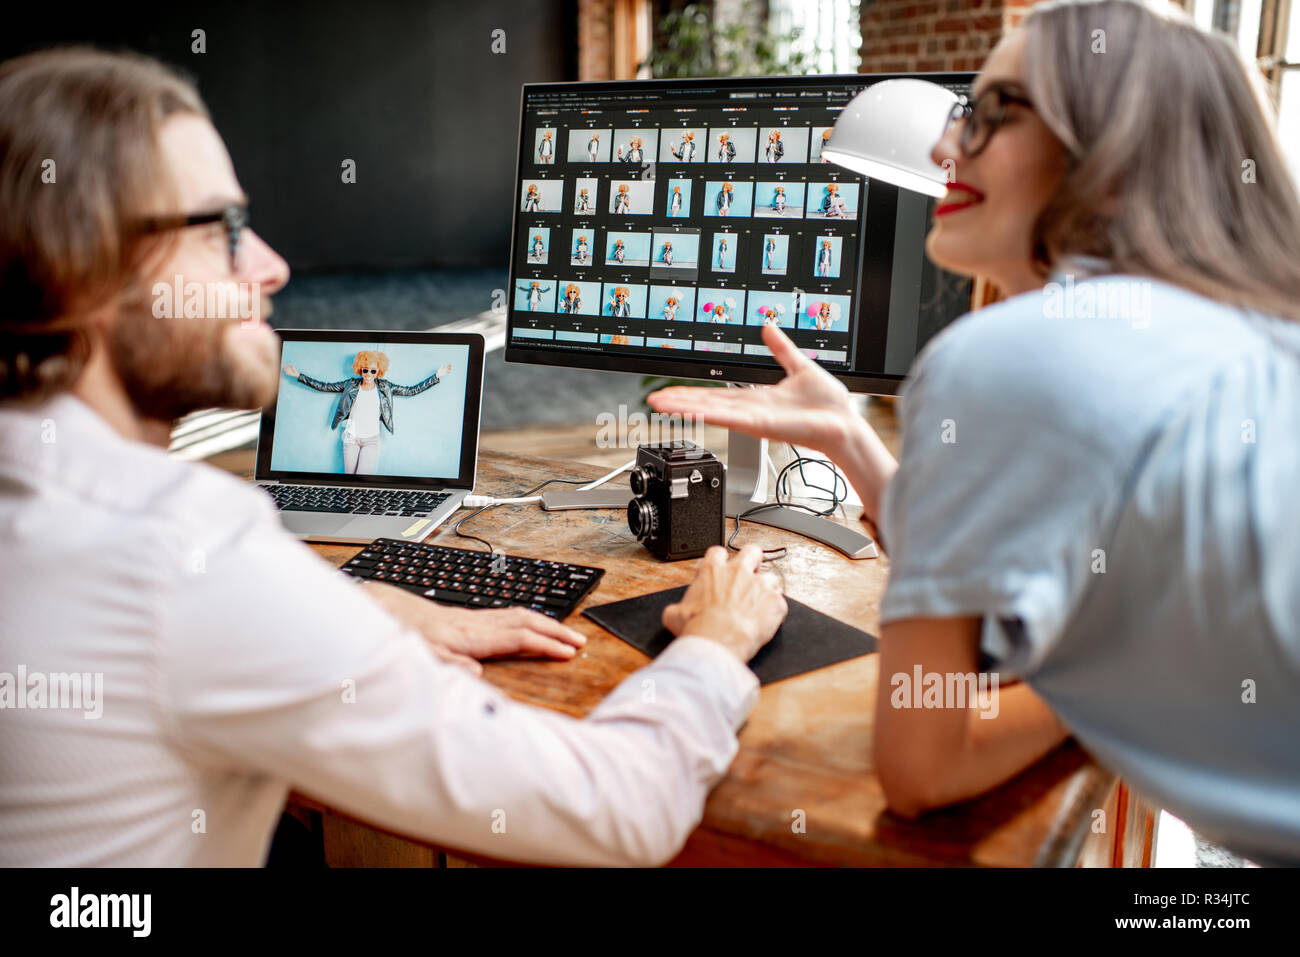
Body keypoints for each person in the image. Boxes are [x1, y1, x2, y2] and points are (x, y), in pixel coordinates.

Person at [0, 47, 788, 866]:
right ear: (79, 265)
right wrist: (712, 641)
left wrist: (350, 607)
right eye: (222, 229)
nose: (271, 268)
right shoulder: (183, 558)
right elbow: (613, 806)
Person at [650, 0, 1300, 865]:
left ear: (1109, 144)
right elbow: (997, 565)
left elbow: (924, 763)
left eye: (991, 114)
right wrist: (848, 433)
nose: (943, 148)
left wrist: (1089, 681)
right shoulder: (1243, 335)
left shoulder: (1006, 355)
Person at [280, 351, 451, 474]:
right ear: (360, 369)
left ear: (379, 372)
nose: (368, 374)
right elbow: (325, 387)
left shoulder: (385, 387)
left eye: (373, 371)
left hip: (371, 441)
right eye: (365, 370)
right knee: (349, 481)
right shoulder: (351, 385)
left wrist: (436, 377)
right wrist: (299, 376)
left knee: (361, 480)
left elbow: (411, 390)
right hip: (350, 439)